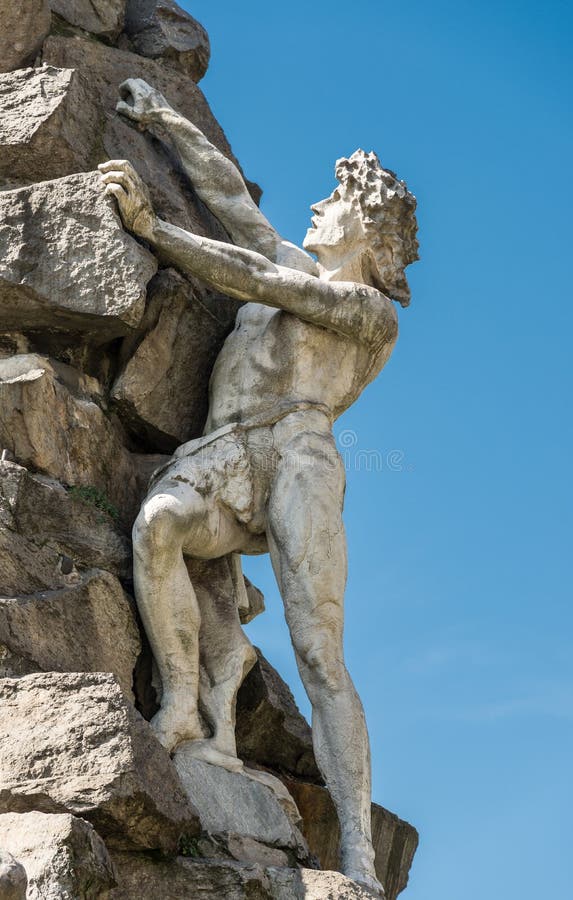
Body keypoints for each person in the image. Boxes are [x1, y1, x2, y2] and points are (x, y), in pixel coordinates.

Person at [99, 78, 418, 896]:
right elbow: (233, 202)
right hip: (226, 449)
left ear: (366, 227)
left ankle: (355, 849)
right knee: (158, 526)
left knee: (320, 652)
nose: (317, 204)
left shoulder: (367, 309)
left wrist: (151, 229)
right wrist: (165, 121)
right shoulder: (287, 259)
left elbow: (266, 284)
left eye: (334, 199)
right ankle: (182, 704)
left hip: (299, 455)